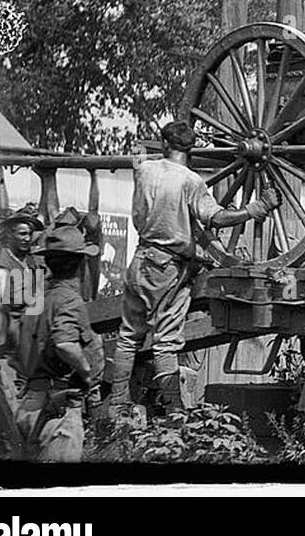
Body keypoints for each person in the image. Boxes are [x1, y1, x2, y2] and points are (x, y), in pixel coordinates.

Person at [108, 120, 280, 419]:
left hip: (140, 260)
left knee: (128, 334)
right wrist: (255, 209)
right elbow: (215, 218)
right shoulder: (190, 181)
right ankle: (174, 409)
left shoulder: (145, 171)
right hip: (168, 269)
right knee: (166, 342)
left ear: (164, 144)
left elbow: (139, 189)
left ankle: (117, 403)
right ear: (191, 149)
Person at [11, 225, 104, 462]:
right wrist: (86, 371)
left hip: (30, 402)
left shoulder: (39, 299)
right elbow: (65, 344)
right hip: (57, 407)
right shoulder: (69, 299)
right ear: (80, 263)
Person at [0, 205, 45, 459]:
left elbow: (38, 298)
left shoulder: (31, 261)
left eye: (28, 234)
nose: (25, 238)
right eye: (21, 233)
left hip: (29, 333)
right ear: (10, 234)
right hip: (11, 335)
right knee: (8, 389)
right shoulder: (3, 262)